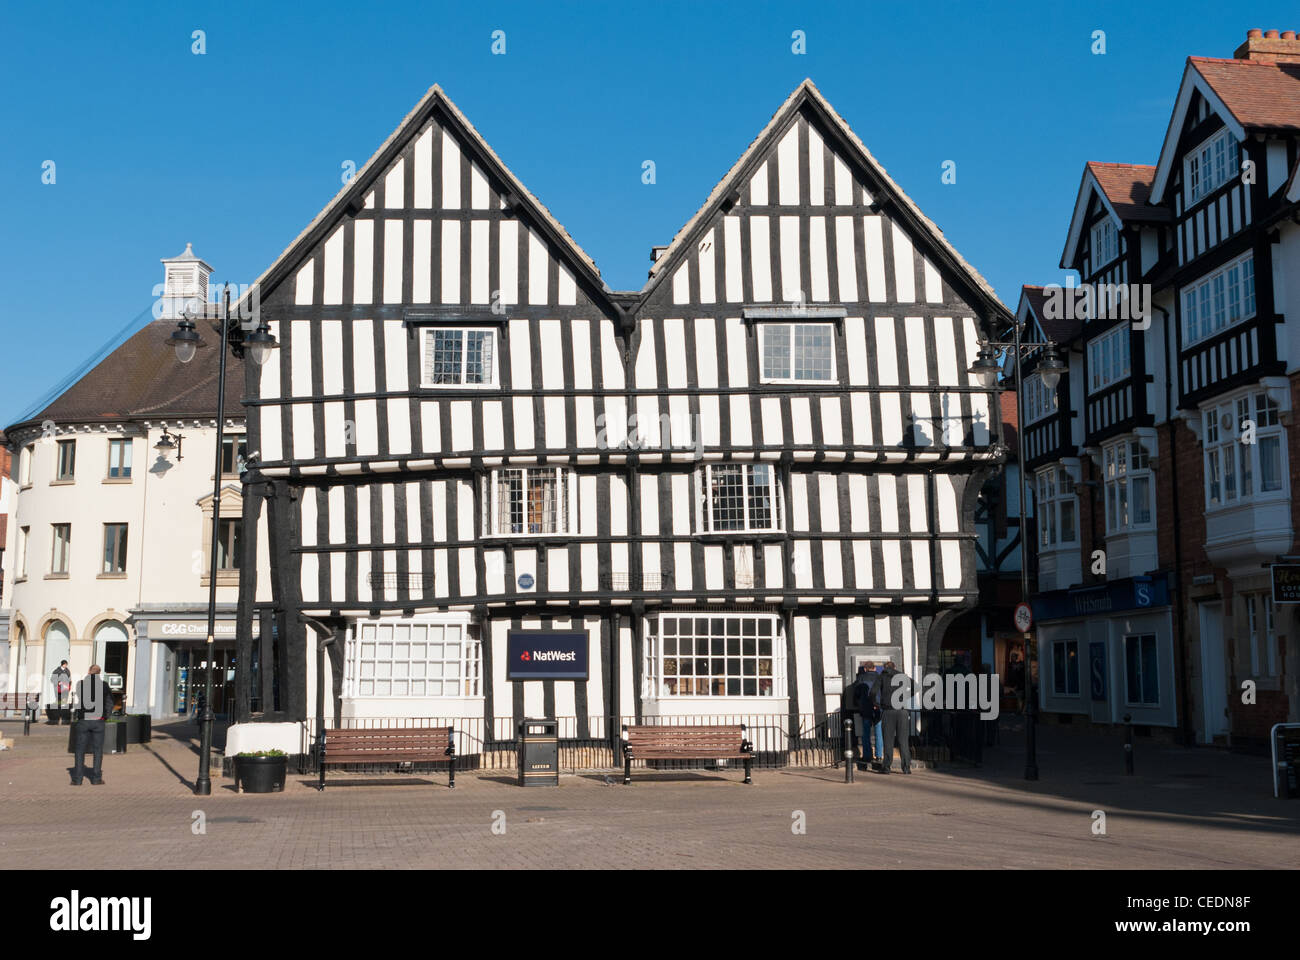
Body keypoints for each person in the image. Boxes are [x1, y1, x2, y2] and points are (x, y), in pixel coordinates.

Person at [71, 665, 111, 786]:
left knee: (79, 750)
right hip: (98, 720)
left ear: (88, 672)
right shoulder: (104, 685)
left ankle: (77, 779)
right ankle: (96, 778)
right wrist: (106, 716)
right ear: (99, 673)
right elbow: (110, 702)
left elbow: (79, 697)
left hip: (83, 720)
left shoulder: (80, 684)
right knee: (98, 750)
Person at [872, 660, 913, 774]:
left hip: (888, 711)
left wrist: (877, 704)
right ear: (895, 667)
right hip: (902, 711)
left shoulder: (882, 677)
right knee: (903, 741)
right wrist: (906, 696)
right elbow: (915, 686)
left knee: (888, 740)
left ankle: (886, 767)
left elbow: (872, 692)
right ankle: (906, 768)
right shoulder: (902, 676)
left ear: (885, 668)